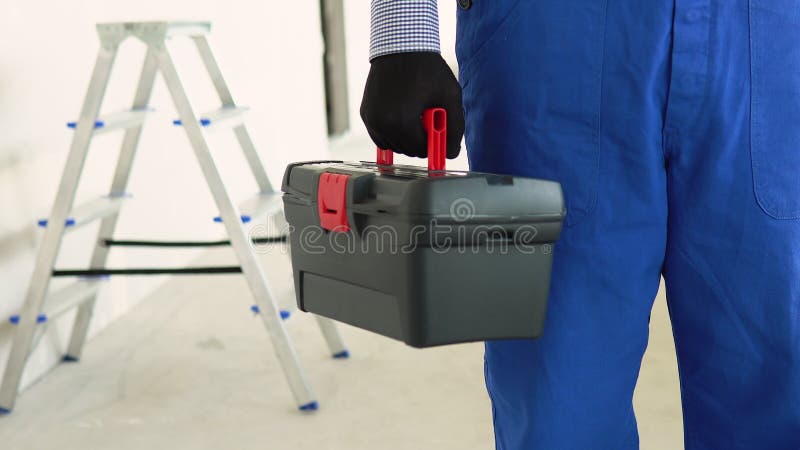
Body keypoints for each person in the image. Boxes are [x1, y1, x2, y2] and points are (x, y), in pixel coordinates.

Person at [360, 0, 800, 448]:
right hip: (552, 42)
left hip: (772, 40)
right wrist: (403, 30)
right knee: (560, 407)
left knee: (777, 400)